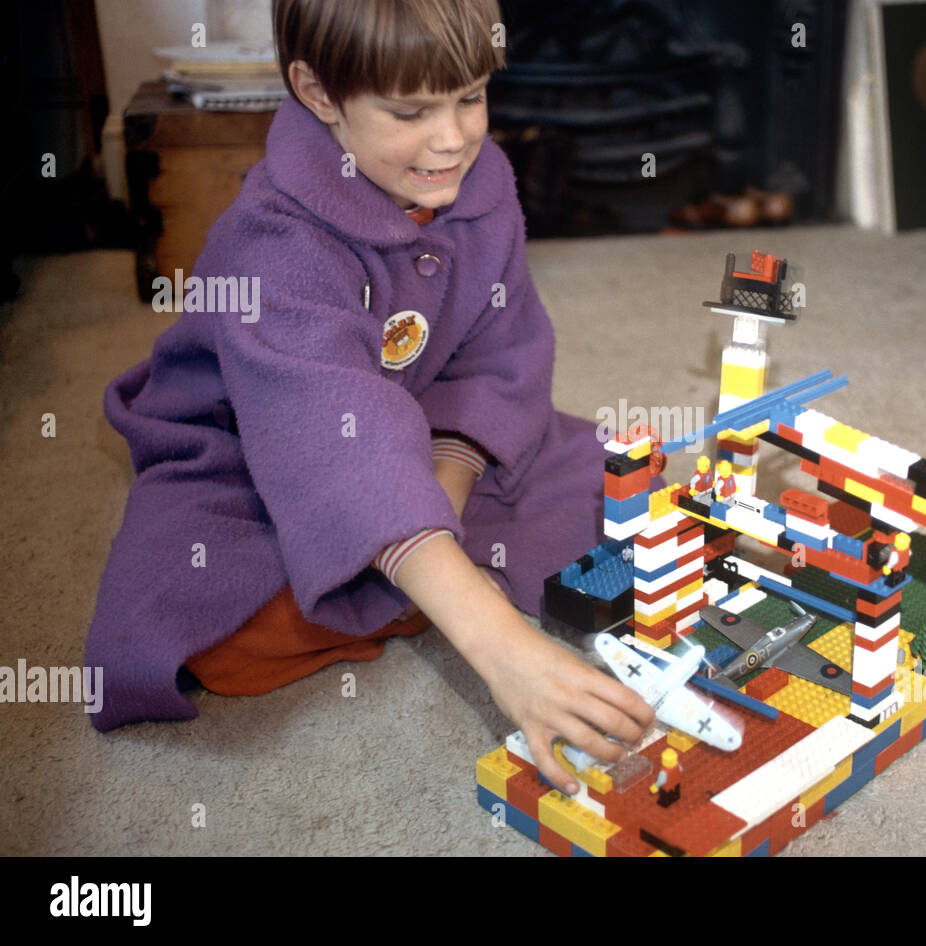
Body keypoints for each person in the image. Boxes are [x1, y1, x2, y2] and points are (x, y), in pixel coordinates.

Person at [84, 0, 652, 794]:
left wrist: (443, 488)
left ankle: (408, 566)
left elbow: (500, 353)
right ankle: (413, 574)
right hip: (254, 444)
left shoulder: (483, 184)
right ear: (319, 94)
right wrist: (502, 649)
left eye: (471, 96)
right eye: (410, 110)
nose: (451, 138)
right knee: (190, 628)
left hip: (416, 425)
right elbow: (324, 437)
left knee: (629, 494)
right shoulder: (275, 241)